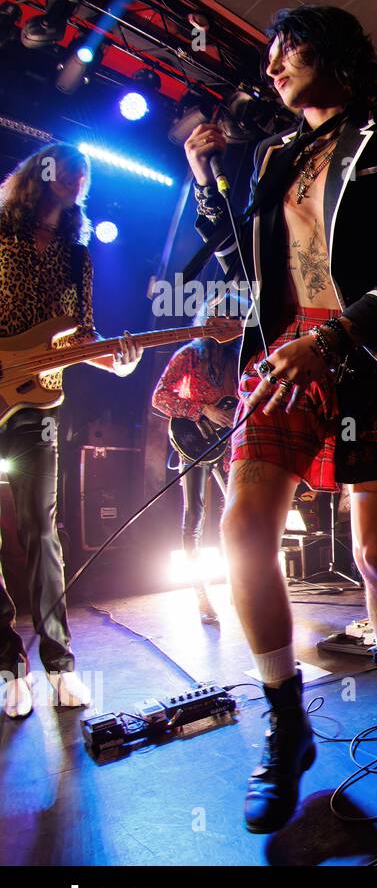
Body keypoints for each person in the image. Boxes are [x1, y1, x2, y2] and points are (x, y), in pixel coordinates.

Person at [182, 4, 377, 832]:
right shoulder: (271, 157)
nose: (271, 69)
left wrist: (335, 334)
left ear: (332, 55)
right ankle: (287, 720)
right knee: (240, 529)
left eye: (285, 51)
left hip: (361, 356)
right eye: (268, 57)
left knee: (373, 554)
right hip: (283, 356)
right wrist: (206, 183)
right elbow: (242, 265)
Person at [0, 142, 143, 719]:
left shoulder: (76, 256)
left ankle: (60, 665)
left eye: (86, 172)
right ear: (42, 173)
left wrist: (119, 360)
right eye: (69, 166)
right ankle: (10, 666)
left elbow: (81, 336)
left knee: (44, 532)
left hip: (39, 407)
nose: (80, 176)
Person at [151, 332, 240, 624]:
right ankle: (200, 593)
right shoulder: (190, 354)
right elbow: (160, 396)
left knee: (238, 514)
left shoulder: (239, 357)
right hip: (194, 438)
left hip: (231, 441)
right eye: (222, 319)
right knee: (195, 514)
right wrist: (203, 411)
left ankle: (241, 588)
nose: (229, 325)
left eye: (235, 319)